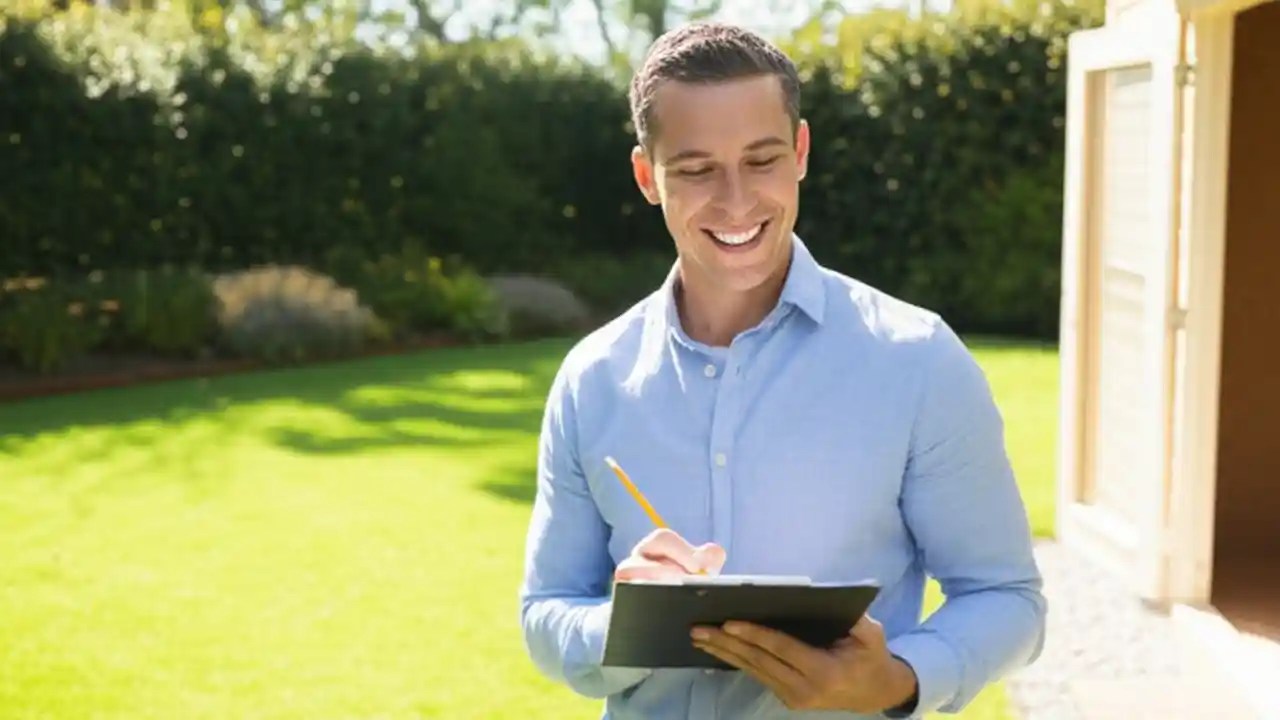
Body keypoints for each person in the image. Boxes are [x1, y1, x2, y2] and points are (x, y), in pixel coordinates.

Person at [518, 21, 1046, 719]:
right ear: (648, 176)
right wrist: (618, 624)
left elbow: (1007, 597)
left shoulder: (918, 361)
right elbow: (545, 610)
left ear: (800, 151)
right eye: (698, 169)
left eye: (761, 160)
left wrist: (898, 679)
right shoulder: (593, 380)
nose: (736, 202)